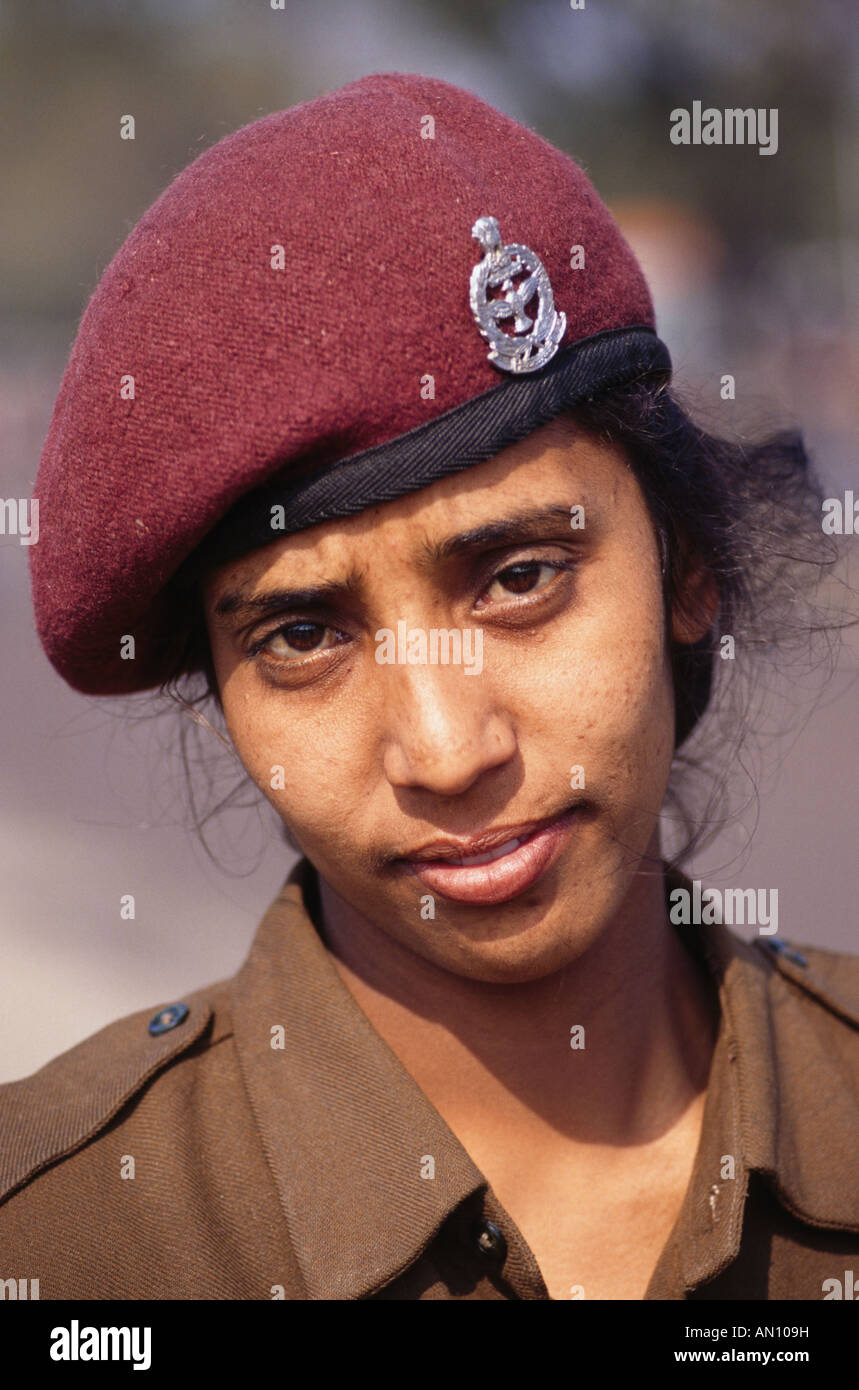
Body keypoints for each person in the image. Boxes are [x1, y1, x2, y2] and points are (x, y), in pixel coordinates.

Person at [1, 72, 856, 1302]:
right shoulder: (57, 1247)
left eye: (520, 577)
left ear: (687, 570)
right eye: (302, 636)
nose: (449, 752)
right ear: (217, 699)